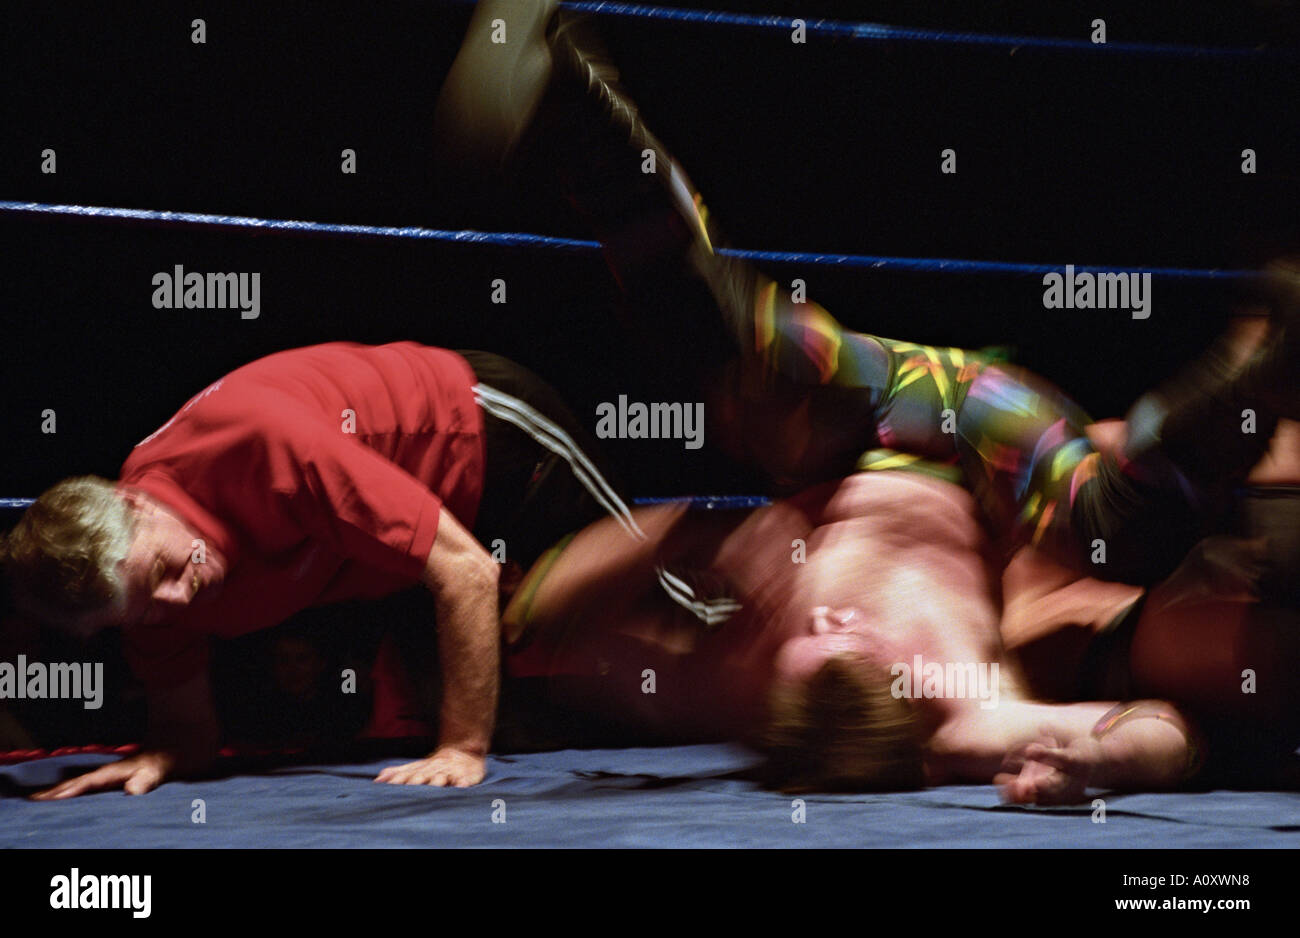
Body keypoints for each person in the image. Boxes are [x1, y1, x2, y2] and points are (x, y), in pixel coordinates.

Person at [435, 0, 1300, 587]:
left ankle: (577, 92)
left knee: (736, 349)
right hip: (973, 418)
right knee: (747, 354)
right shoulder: (1154, 558)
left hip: (956, 420)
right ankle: (574, 92)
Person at [2, 342, 634, 795]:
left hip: (473, 431)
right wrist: (165, 754)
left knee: (651, 603)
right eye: (144, 608)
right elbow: (185, 730)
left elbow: (466, 570)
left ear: (135, 500)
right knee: (545, 726)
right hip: (395, 560)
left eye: (165, 571)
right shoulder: (137, 581)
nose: (177, 598)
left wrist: (461, 749)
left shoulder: (265, 448)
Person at [499, 468, 1221, 802]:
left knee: (716, 332)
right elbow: (1172, 731)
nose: (827, 615)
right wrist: (1106, 757)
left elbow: (545, 620)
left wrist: (684, 533)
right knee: (1129, 473)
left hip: (829, 443)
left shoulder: (739, 689)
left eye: (815, 632)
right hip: (969, 451)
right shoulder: (965, 711)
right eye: (839, 634)